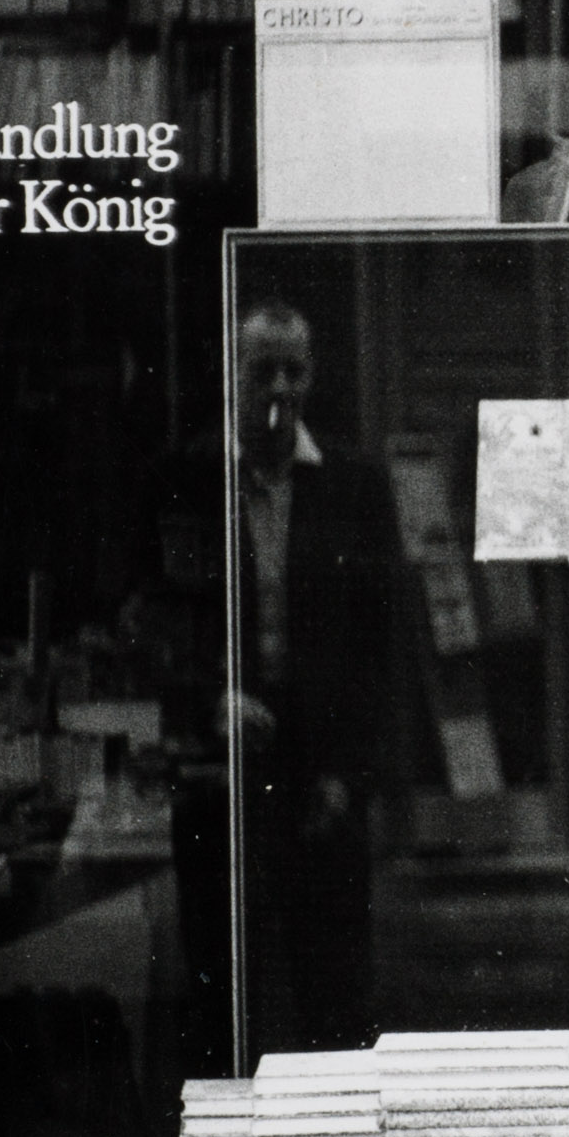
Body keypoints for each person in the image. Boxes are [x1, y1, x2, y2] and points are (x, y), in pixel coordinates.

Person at [158, 298, 398, 1060]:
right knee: (219, 997)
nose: (282, 388)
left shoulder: (354, 484)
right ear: (230, 374)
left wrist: (349, 777)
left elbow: (382, 648)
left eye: (297, 370)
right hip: (217, 776)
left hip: (322, 784)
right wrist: (207, 701)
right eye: (264, 370)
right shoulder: (187, 478)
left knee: (335, 1000)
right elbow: (147, 624)